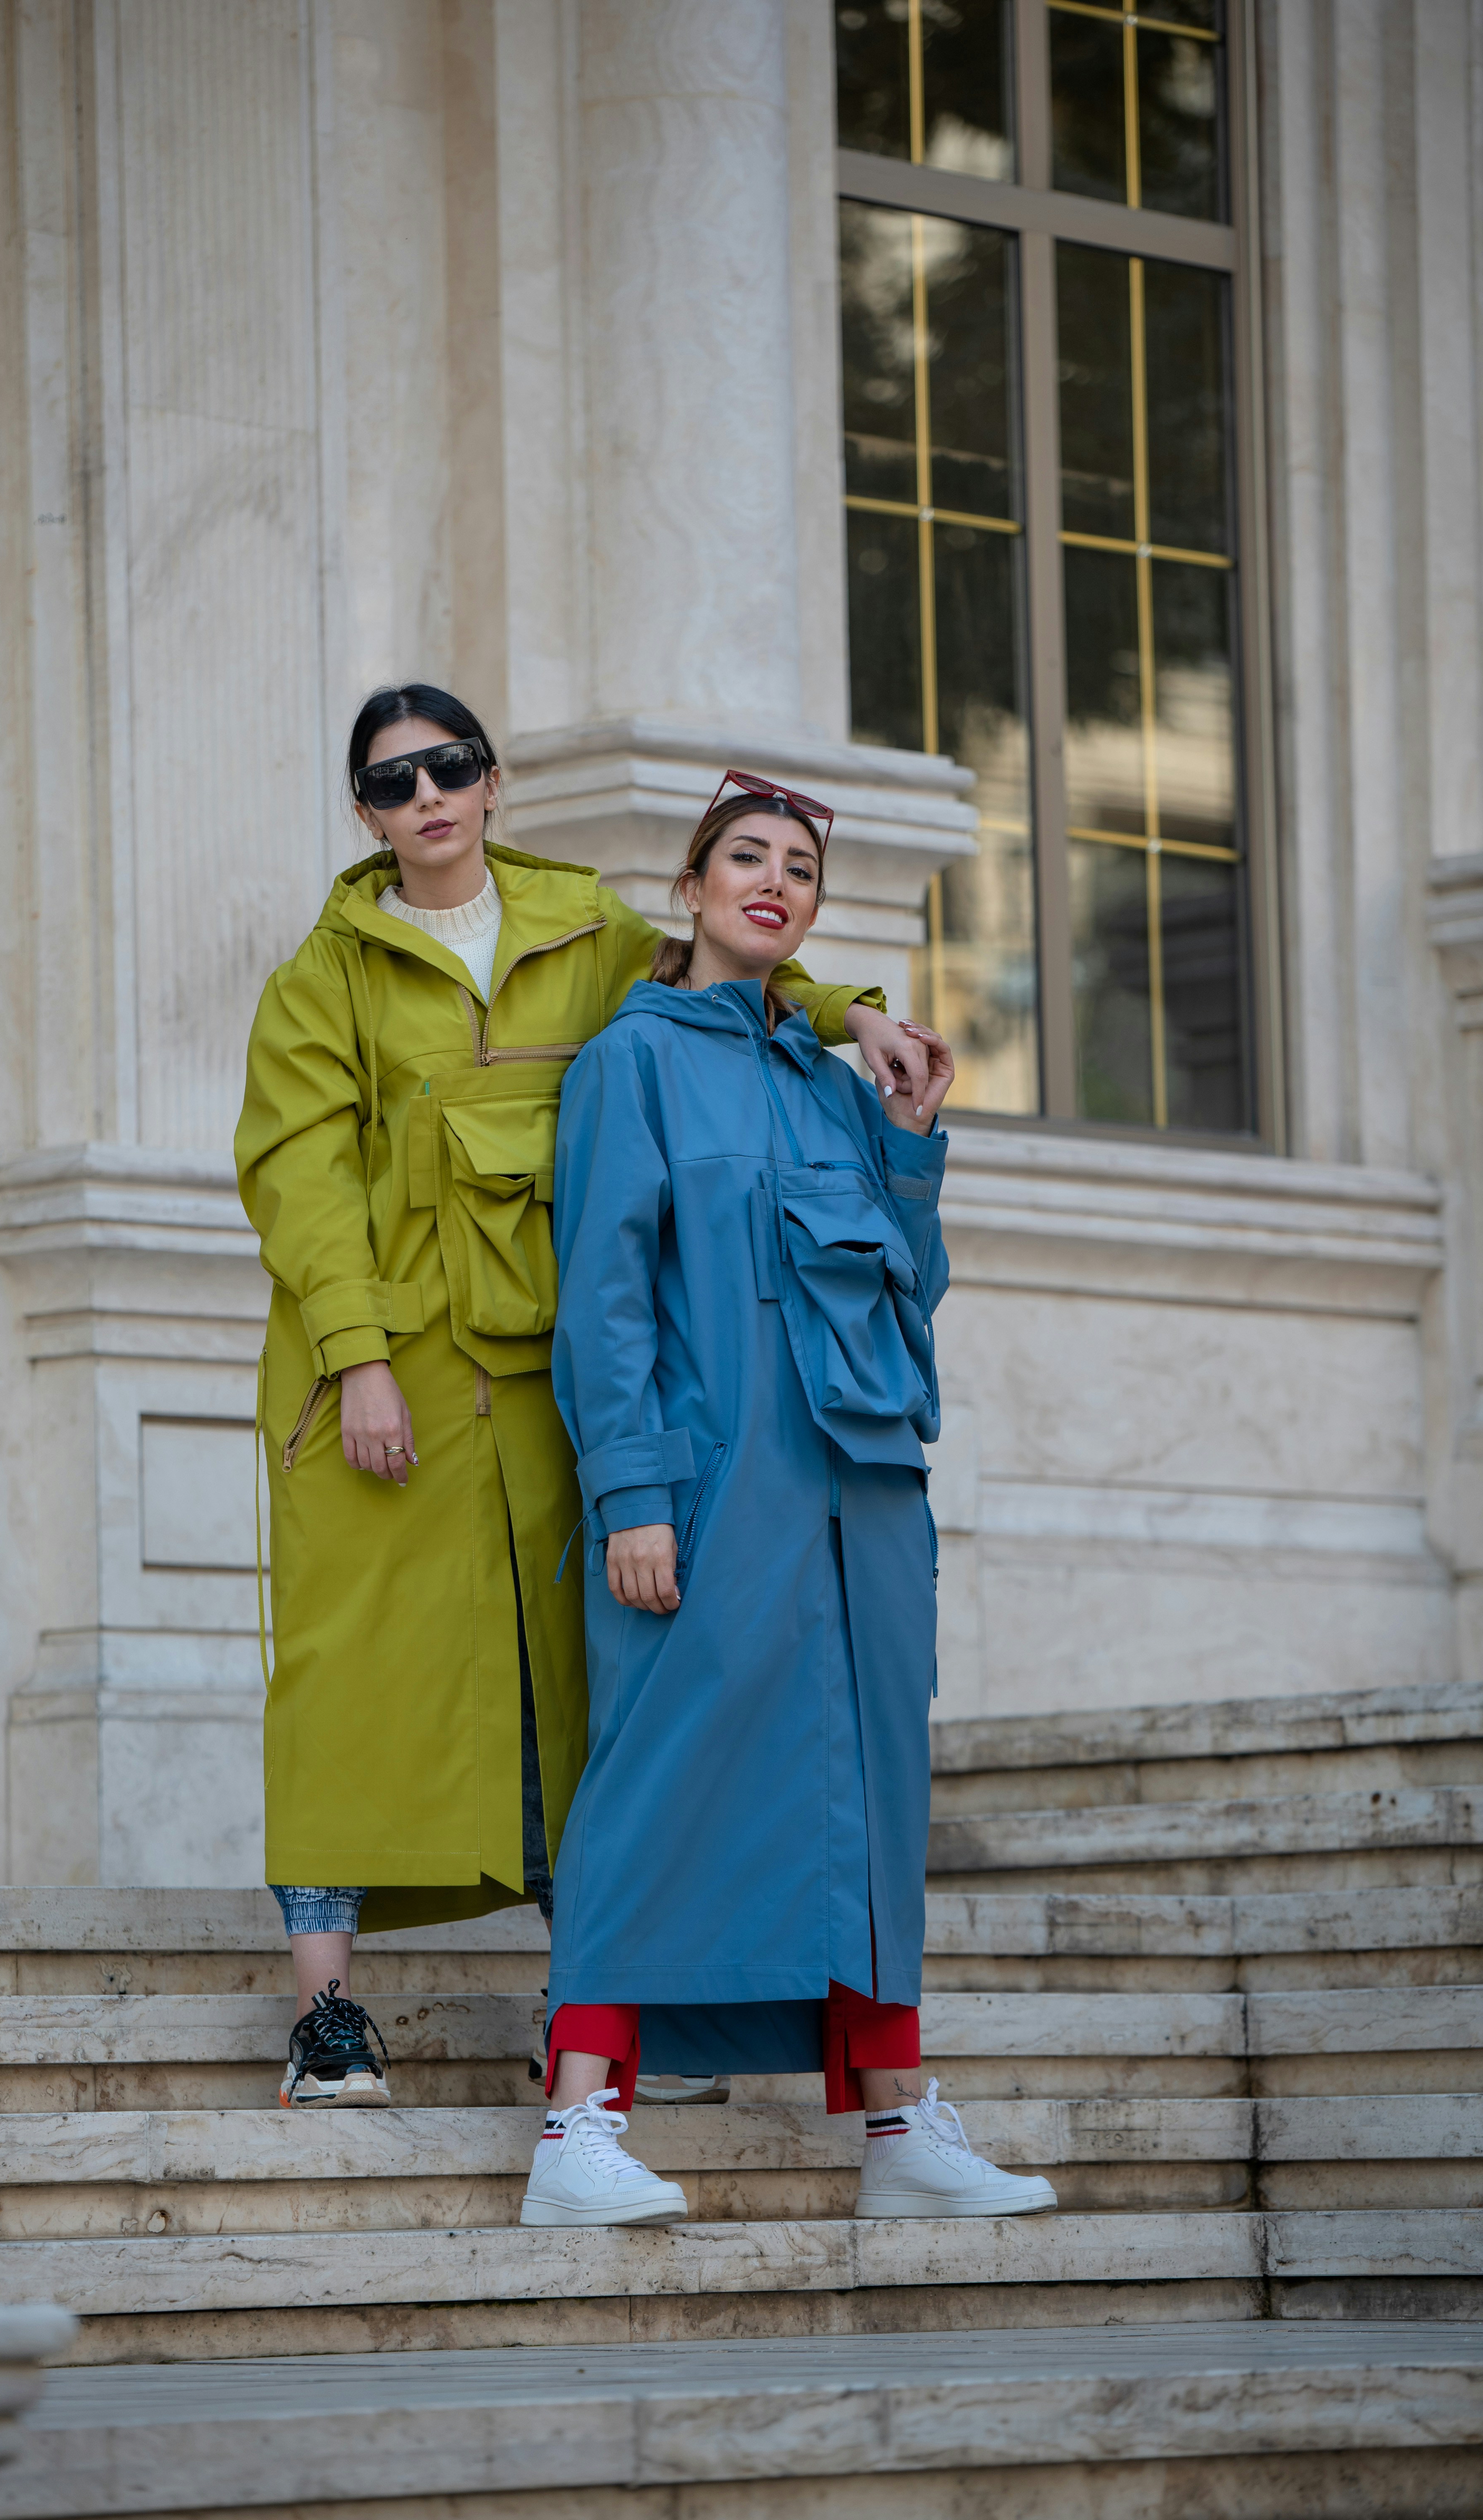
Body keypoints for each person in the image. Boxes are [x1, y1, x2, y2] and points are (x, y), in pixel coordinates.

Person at [234, 689, 937, 2105]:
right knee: (347, 1678)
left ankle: (599, 2006)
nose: (427, 797)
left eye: (449, 768)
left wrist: (854, 1012)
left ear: (493, 783)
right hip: (385, 1381)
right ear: (365, 813)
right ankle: (327, 2019)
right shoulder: (324, 980)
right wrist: (358, 1358)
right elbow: (302, 1181)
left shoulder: (587, 929)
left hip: (545, 1382)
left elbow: (728, 966)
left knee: (585, 1684)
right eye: (393, 783)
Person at [526, 777, 1058, 2225]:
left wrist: (911, 1144)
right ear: (694, 888)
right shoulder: (630, 1064)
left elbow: (906, 1294)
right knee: (652, 1783)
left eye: (802, 868)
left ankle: (900, 2133)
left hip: (860, 1501)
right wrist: (631, 1491)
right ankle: (576, 2130)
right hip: (713, 1493)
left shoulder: (830, 1084)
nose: (775, 881)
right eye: (748, 857)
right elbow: (604, 1302)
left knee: (869, 1801)